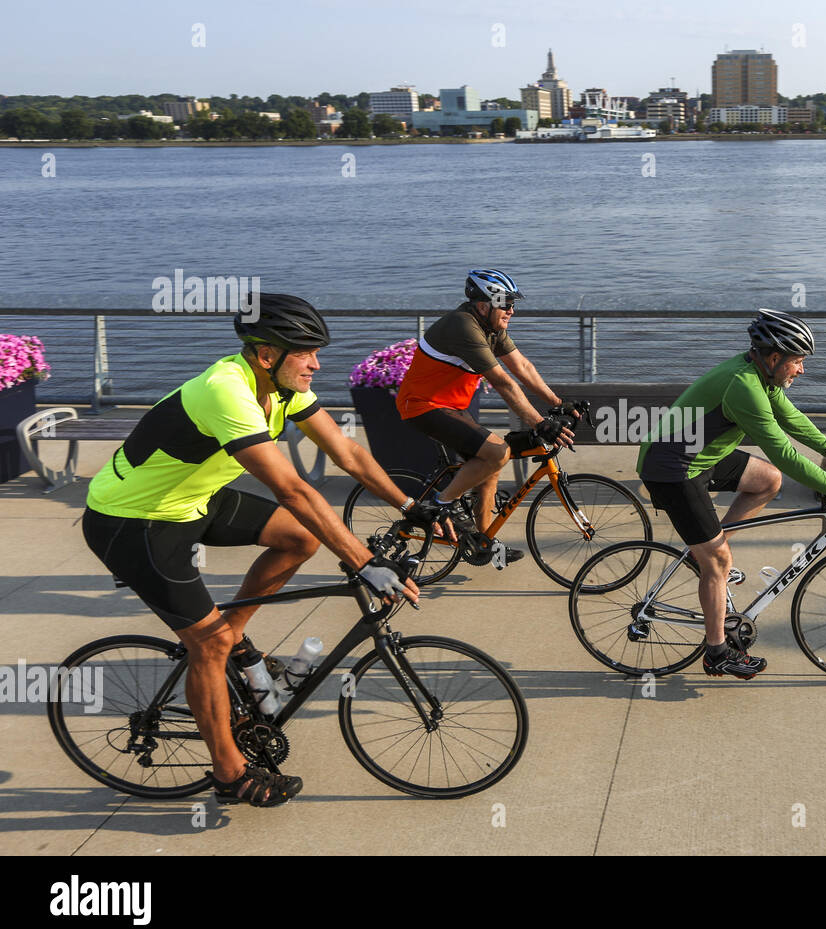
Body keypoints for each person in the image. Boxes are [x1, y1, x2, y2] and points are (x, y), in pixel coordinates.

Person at [81, 293, 438, 806]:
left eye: (317, 353)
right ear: (267, 354)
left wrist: (411, 505)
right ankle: (230, 774)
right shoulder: (226, 391)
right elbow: (292, 489)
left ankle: (234, 636)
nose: (316, 364)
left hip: (192, 499)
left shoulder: (282, 388)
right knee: (208, 646)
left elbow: (347, 452)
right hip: (133, 520)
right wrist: (364, 562)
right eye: (305, 353)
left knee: (299, 538)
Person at [637, 309, 826, 679]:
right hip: (671, 469)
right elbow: (785, 455)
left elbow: (791, 419)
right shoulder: (743, 386)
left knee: (767, 480)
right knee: (719, 561)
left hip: (702, 456)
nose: (802, 370)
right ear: (774, 358)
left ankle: (706, 554)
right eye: (798, 361)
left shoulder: (761, 375)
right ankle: (716, 652)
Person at [396, 268, 577, 562]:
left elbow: (522, 367)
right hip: (422, 405)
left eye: (512, 304)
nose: (512, 311)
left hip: (451, 406)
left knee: (491, 465)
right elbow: (503, 382)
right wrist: (541, 423)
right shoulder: (463, 326)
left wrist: (559, 402)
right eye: (506, 304)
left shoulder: (491, 327)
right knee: (498, 452)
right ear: (483, 306)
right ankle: (442, 502)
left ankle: (482, 543)